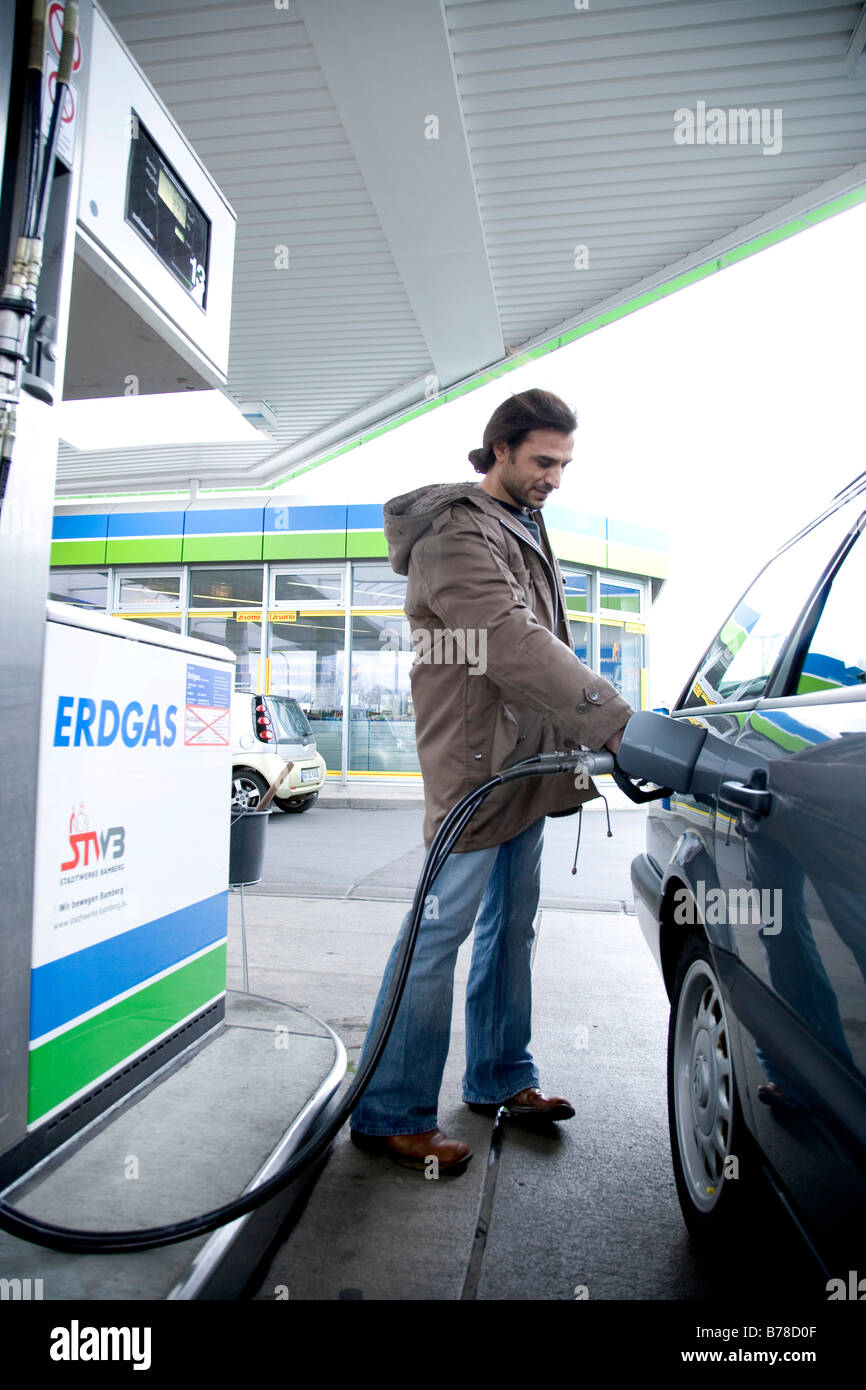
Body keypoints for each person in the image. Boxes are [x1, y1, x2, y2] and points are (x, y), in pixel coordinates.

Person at [349, 388, 634, 1174]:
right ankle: (389, 1112)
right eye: (544, 461)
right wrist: (611, 719)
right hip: (477, 766)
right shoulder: (454, 530)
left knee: (513, 930)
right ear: (499, 449)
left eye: (566, 463)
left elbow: (539, 642)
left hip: (528, 767)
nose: (555, 477)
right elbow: (506, 640)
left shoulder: (524, 523)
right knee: (437, 936)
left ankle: (501, 1078)